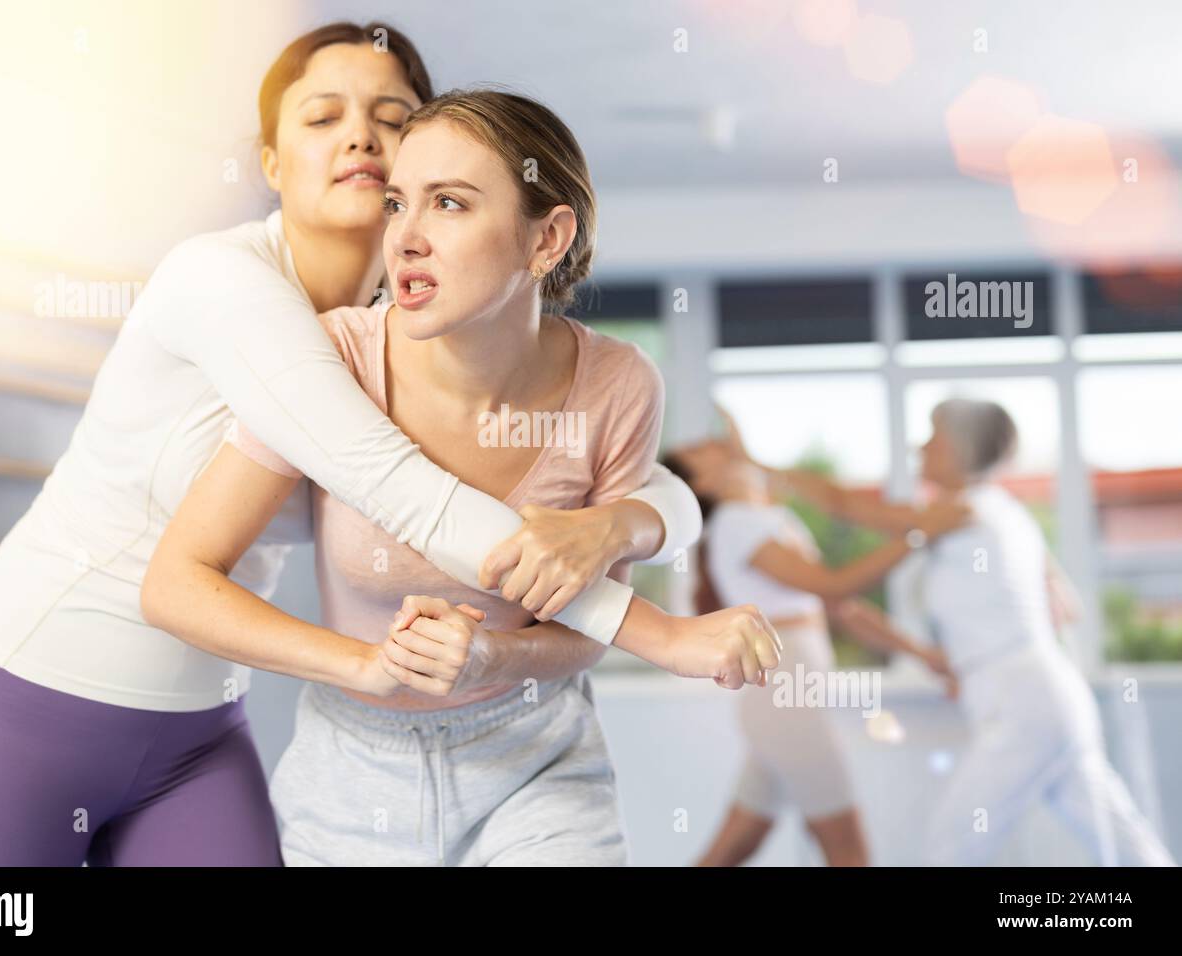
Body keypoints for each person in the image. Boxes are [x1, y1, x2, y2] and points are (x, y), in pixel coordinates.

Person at [0, 23, 719, 868]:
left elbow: (636, 486)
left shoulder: (417, 334)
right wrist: (667, 637)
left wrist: (633, 522)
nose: (359, 134)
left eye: (391, 117)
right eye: (322, 117)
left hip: (197, 732)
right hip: (31, 687)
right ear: (273, 164)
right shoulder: (227, 286)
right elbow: (402, 490)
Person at [144, 88, 783, 866]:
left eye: (448, 204)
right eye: (396, 204)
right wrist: (368, 666)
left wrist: (495, 659)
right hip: (352, 776)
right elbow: (176, 582)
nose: (406, 237)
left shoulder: (618, 385)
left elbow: (578, 628)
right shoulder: (331, 360)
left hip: (537, 761)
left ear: (546, 240)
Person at [794, 398, 1176, 866]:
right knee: (1119, 842)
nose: (921, 447)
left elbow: (841, 504)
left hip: (1024, 704)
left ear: (958, 448)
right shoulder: (1003, 513)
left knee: (953, 847)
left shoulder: (962, 513)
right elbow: (1066, 606)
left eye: (932, 437)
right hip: (1045, 695)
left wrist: (757, 469)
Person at [664, 432, 963, 866]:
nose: (712, 442)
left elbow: (841, 607)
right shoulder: (734, 521)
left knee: (729, 851)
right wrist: (918, 536)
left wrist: (921, 654)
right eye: (696, 450)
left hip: (791, 698)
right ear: (702, 485)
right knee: (848, 851)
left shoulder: (773, 518)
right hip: (785, 699)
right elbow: (835, 584)